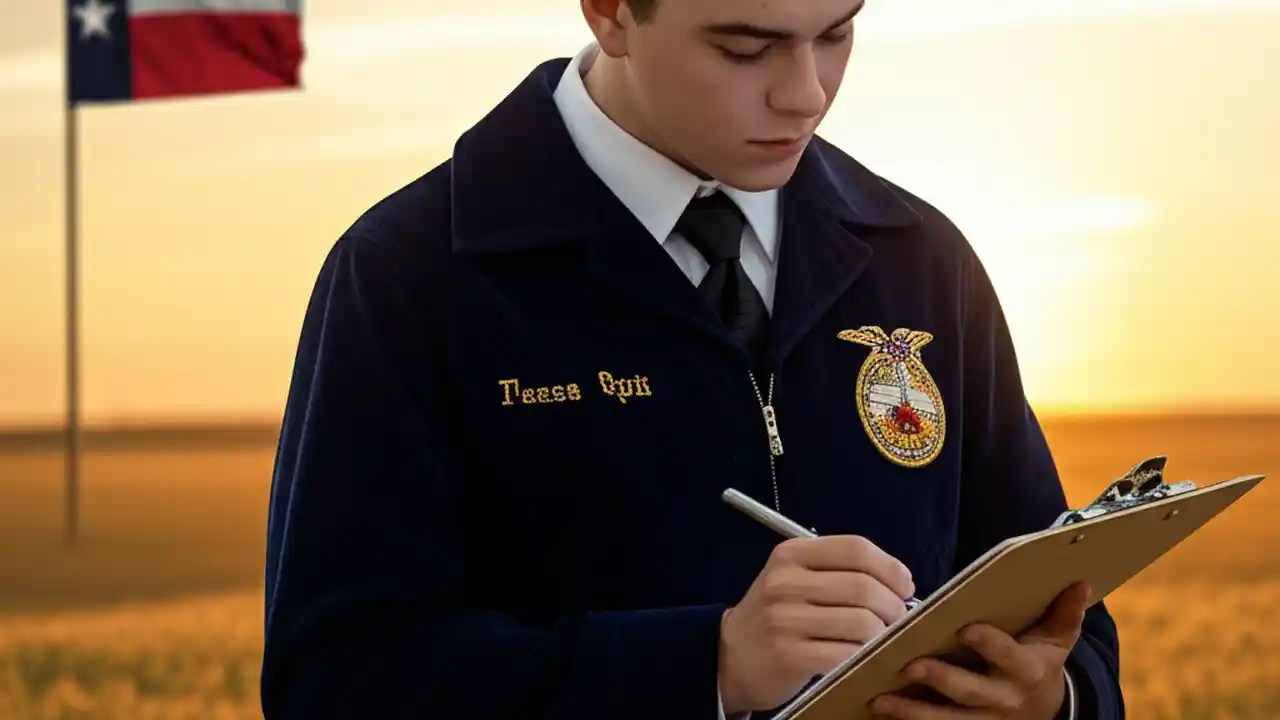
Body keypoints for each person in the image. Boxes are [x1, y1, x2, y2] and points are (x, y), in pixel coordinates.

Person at [260, 1, 1124, 718]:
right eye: (747, 47)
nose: (807, 94)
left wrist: (1054, 700)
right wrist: (704, 667)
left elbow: (1066, 613)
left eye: (837, 32)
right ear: (610, 13)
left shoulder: (923, 257)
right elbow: (333, 683)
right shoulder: (408, 276)